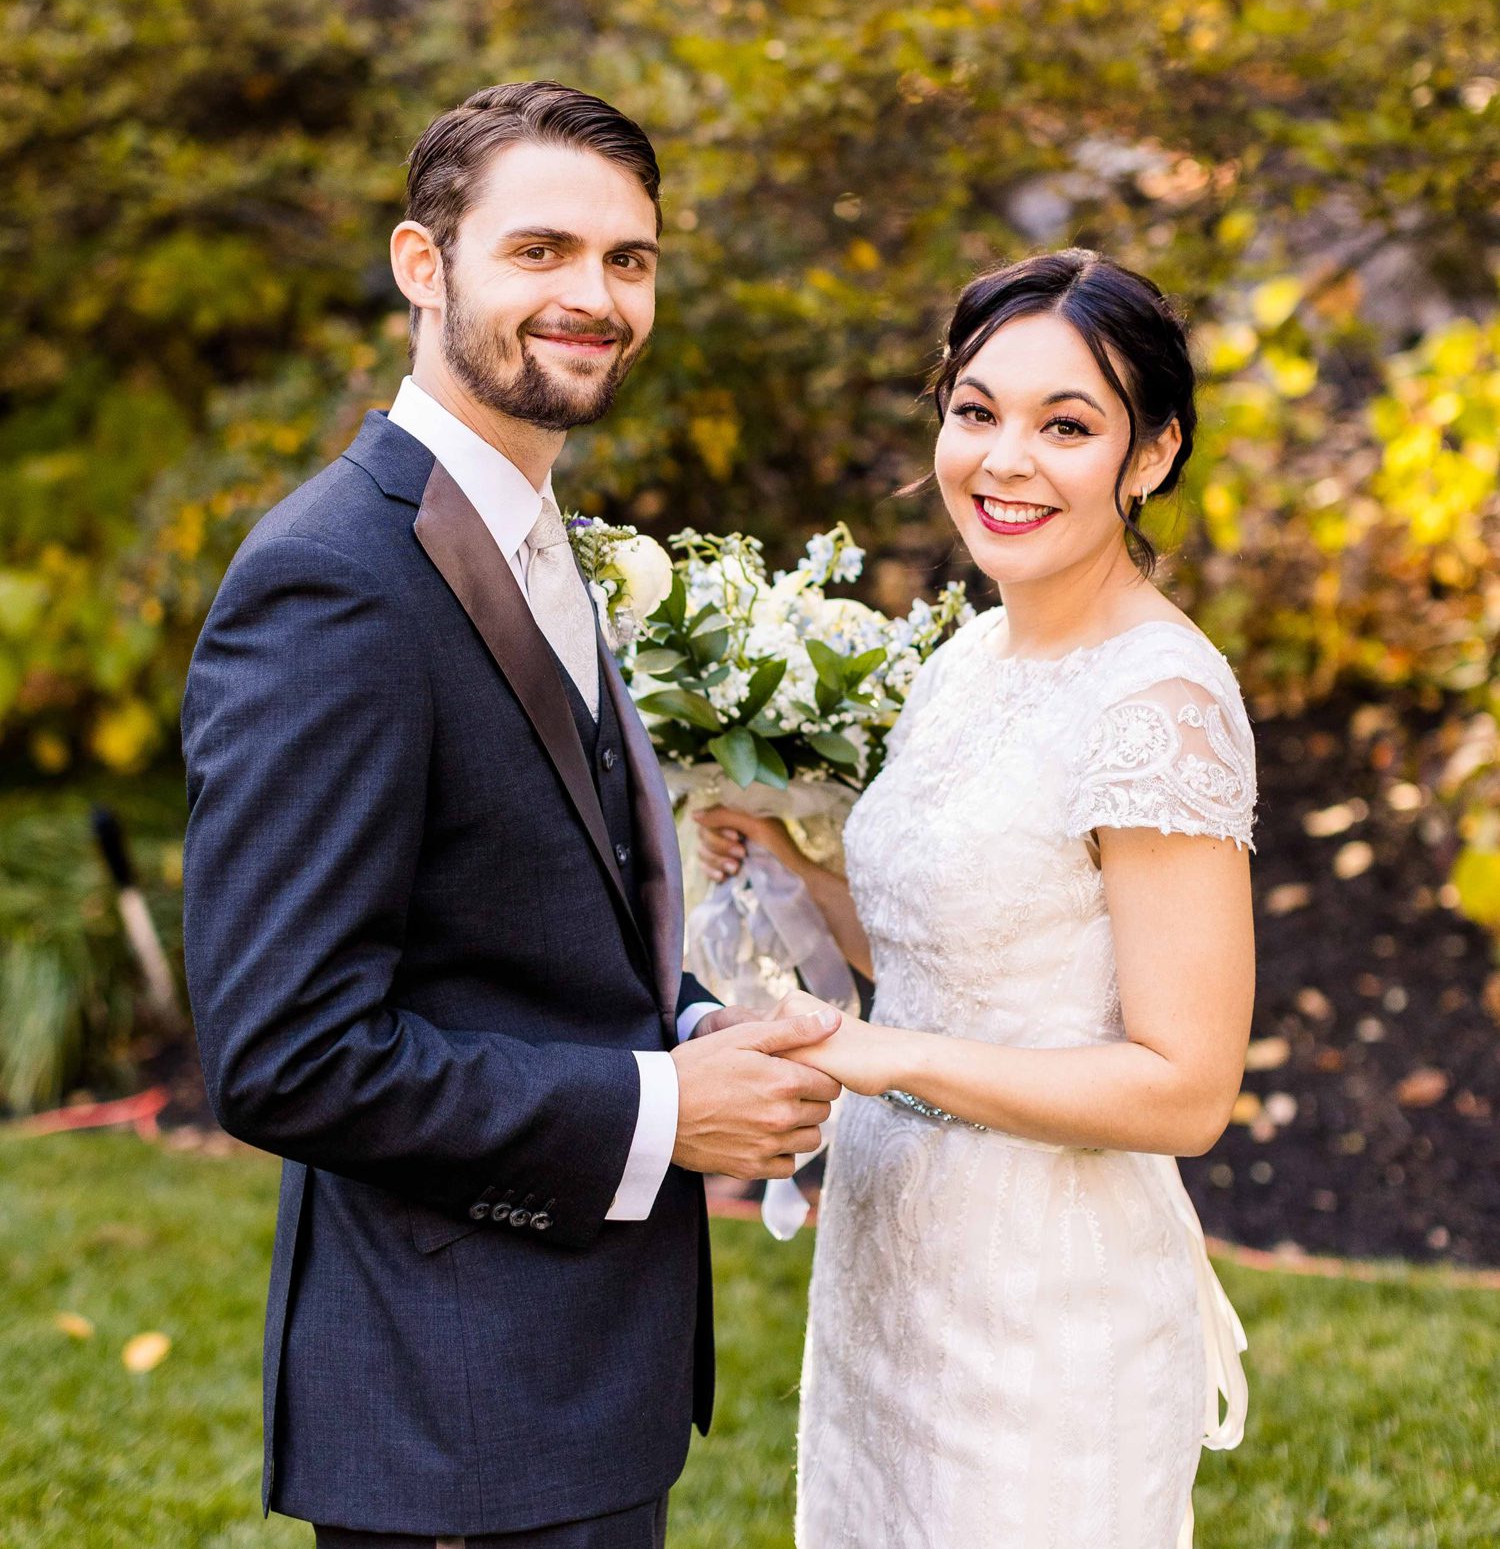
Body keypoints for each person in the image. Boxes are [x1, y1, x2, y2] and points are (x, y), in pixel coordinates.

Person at [182, 79, 841, 1549]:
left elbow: (514, 923)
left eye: (628, 259)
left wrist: (689, 1024)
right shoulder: (336, 578)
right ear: (424, 265)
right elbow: (287, 1055)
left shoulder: (525, 532)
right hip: (452, 1409)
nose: (593, 297)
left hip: (566, 1388)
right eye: (539, 249)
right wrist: (664, 1113)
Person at [697, 249, 1256, 1549]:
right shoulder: (969, 656)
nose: (1005, 460)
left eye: (1067, 425)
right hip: (893, 1271)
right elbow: (949, 947)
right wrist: (784, 866)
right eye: (976, 410)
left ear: (1152, 453)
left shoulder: (1160, 705)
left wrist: (878, 1053)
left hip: (1046, 1299)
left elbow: (1184, 1089)